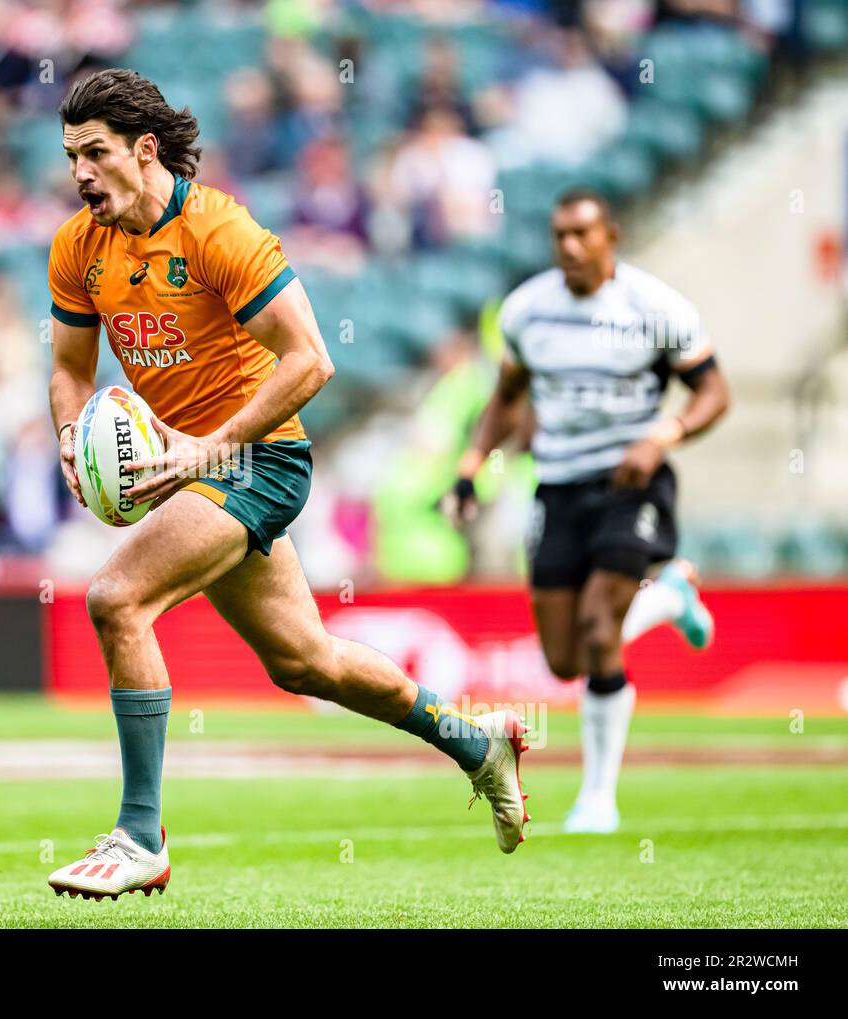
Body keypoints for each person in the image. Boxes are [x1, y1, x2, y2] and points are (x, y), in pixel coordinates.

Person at [43, 69, 530, 902]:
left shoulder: (221, 231)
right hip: (186, 472)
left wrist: (208, 449)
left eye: (95, 153)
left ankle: (139, 834)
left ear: (144, 150)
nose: (80, 172)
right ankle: (475, 741)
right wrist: (68, 435)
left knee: (116, 598)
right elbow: (66, 368)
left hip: (258, 459)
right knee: (306, 663)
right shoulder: (78, 247)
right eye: (71, 156)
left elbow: (313, 359)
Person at [447, 189, 729, 834]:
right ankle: (669, 598)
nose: (570, 248)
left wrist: (665, 435)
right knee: (564, 660)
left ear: (612, 236)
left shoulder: (656, 309)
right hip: (559, 489)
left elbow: (715, 390)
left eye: (582, 234)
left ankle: (597, 798)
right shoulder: (527, 311)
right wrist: (469, 469)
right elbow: (506, 398)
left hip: (633, 486)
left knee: (601, 632)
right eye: (559, 236)